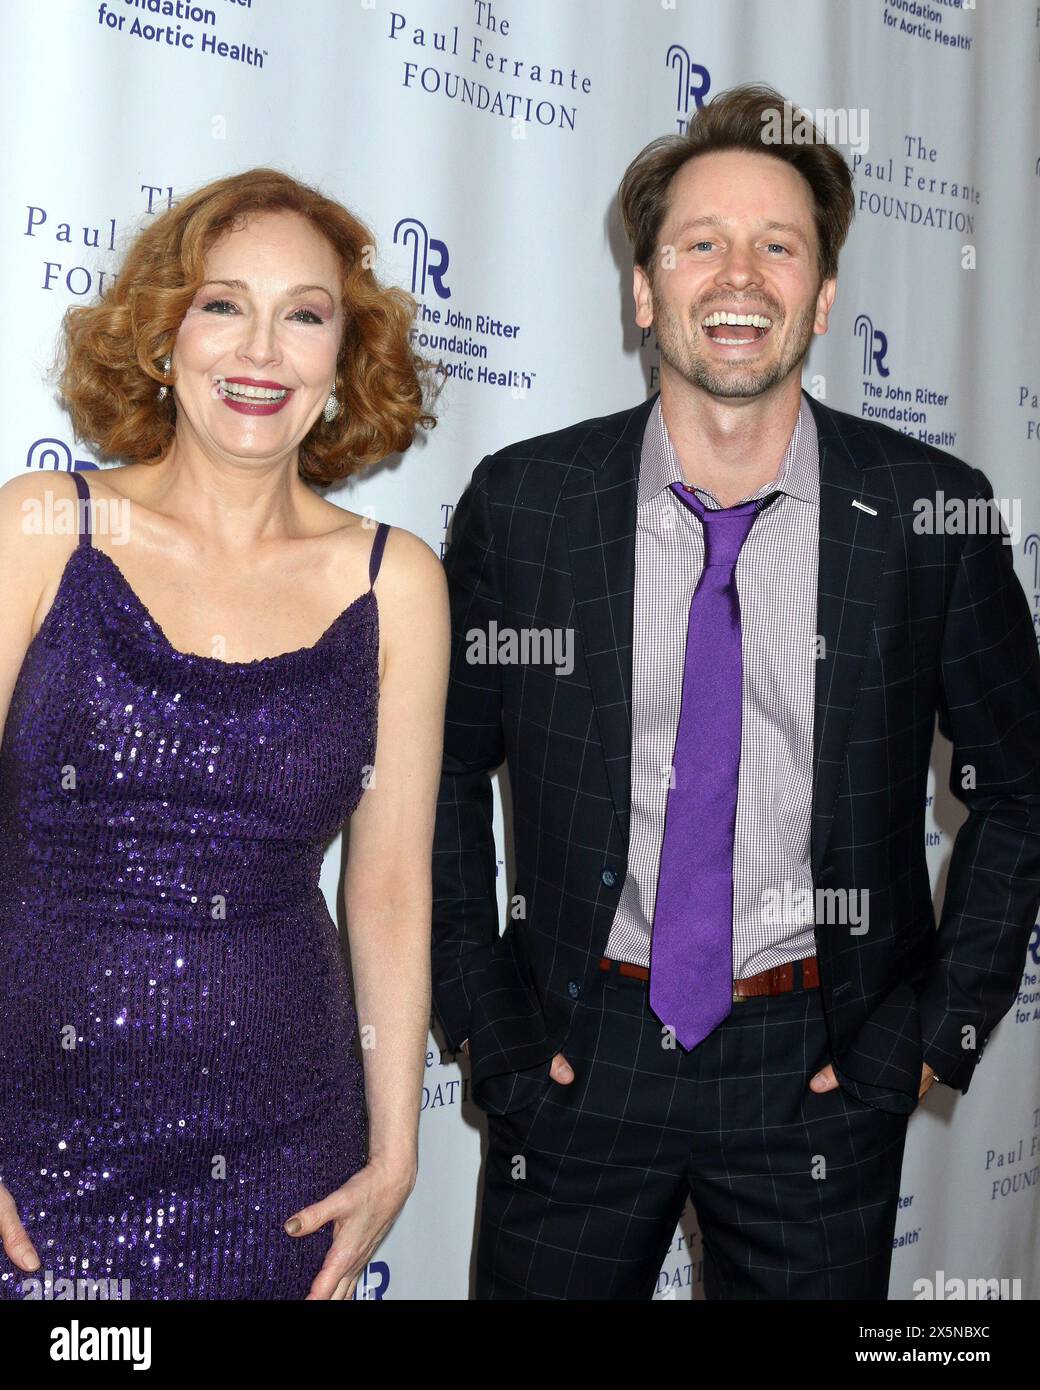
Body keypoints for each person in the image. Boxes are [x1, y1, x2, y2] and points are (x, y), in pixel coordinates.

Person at [431, 84, 1040, 1299]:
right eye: (699, 243)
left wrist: (924, 1040)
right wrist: (486, 1033)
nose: (738, 275)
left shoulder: (931, 514)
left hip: (819, 1062)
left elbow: (1019, 792)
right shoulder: (525, 505)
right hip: (576, 1053)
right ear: (644, 289)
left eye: (778, 246)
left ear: (819, 295)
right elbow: (438, 780)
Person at [0, 168, 449, 1300]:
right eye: (221, 305)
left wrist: (394, 1149)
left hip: (278, 1157)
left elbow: (388, 888)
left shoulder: (397, 583)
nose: (260, 351)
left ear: (345, 360)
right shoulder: (44, 525)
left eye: (304, 314)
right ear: (163, 336)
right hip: (30, 1133)